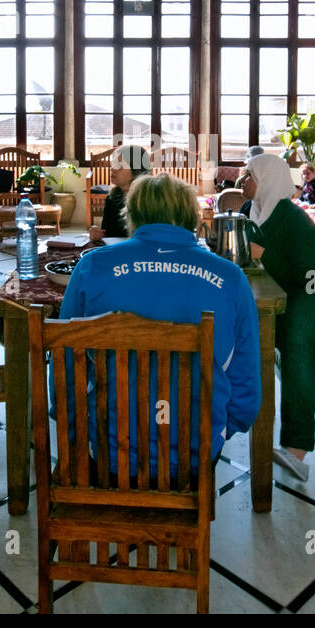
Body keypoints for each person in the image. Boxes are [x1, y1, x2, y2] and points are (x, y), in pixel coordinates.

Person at [58, 173, 261, 478]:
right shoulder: (231, 278)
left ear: (133, 215)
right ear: (189, 216)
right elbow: (246, 389)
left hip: (109, 453)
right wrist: (215, 435)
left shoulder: (92, 267)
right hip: (195, 456)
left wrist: (77, 432)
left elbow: (64, 370)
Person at [243, 152, 315, 481]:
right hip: (296, 289)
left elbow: (311, 277)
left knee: (295, 341)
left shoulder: (292, 219)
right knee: (259, 326)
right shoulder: (253, 210)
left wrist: (267, 255)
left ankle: (297, 447)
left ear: (266, 181)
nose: (243, 182)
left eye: (250, 176)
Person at [87, 143, 151, 242]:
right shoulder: (112, 197)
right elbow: (108, 235)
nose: (112, 168)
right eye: (114, 164)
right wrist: (96, 233)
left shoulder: (151, 199)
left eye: (120, 165)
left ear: (137, 171)